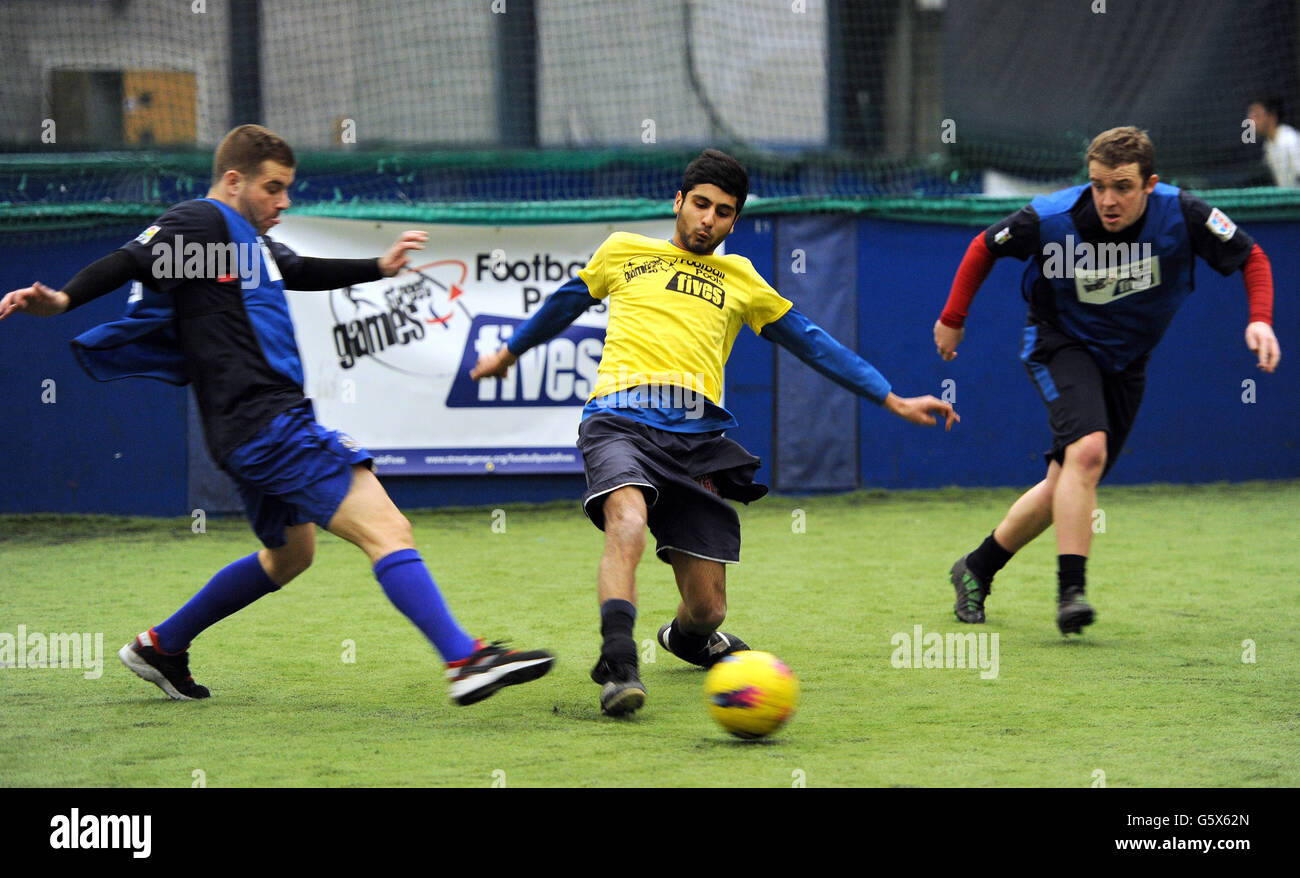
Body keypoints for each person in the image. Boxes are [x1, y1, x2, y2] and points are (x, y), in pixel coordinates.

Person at [0, 124, 554, 704]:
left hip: (245, 431)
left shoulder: (245, 245)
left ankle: (161, 646)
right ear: (234, 180)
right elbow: (132, 258)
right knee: (388, 529)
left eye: (288, 189)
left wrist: (378, 267)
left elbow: (299, 270)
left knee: (291, 555)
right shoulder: (203, 224)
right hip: (268, 424)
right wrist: (62, 300)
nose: (284, 201)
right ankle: (464, 660)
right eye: (273, 188)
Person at [471, 149, 959, 716]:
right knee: (626, 518)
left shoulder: (741, 279)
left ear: (733, 221)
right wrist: (510, 351)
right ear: (678, 202)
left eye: (723, 212)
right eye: (700, 204)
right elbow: (564, 305)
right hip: (617, 422)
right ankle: (619, 664)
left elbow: (810, 340)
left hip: (696, 443)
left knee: (708, 610)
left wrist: (889, 395)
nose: (708, 219)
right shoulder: (623, 252)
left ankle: (686, 640)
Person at [933, 126, 1280, 634]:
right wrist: (953, 316)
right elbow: (985, 246)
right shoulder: (1053, 216)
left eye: (1121, 186)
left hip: (1127, 362)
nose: (1108, 200)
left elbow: (1251, 257)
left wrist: (1260, 318)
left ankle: (977, 568)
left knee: (1068, 480)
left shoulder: (1184, 215)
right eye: (1098, 186)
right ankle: (1071, 592)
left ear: (1150, 184)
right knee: (1088, 453)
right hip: (1058, 343)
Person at [1246, 97, 1300, 187]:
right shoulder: (1268, 145)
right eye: (1250, 116)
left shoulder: (1290, 140)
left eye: (1256, 115)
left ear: (1272, 117)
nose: (1251, 121)